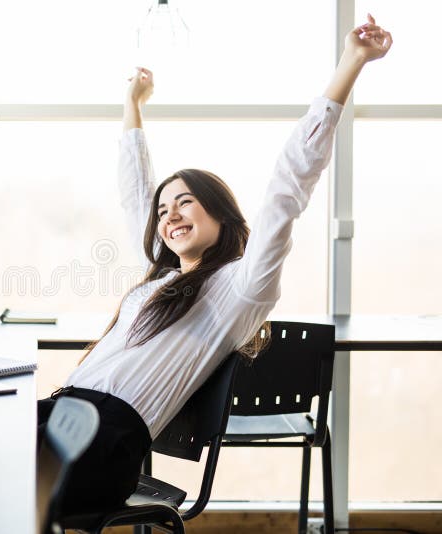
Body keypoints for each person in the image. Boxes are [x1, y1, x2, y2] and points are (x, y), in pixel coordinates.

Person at [38, 15, 392, 514]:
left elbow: (287, 187)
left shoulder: (239, 288)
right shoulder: (158, 281)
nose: (170, 216)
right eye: (164, 211)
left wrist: (349, 65)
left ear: (221, 214)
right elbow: (135, 193)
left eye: (185, 203)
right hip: (63, 416)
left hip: (103, 443)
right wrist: (131, 106)